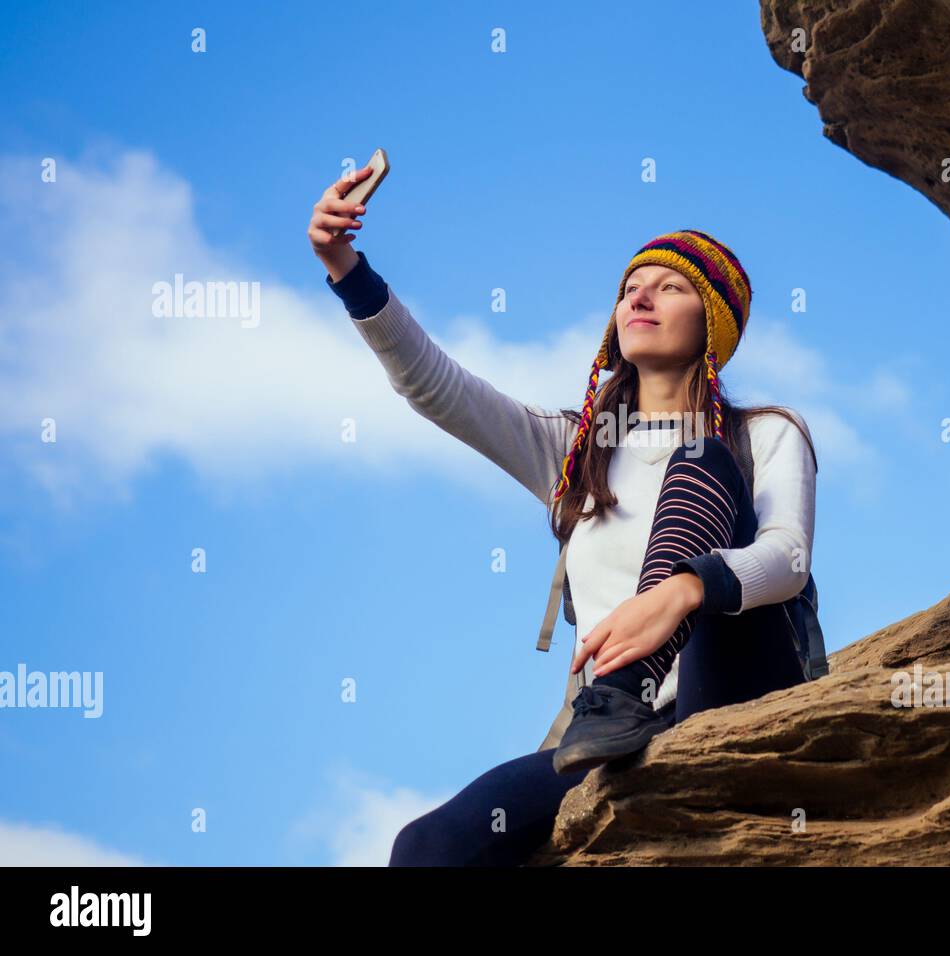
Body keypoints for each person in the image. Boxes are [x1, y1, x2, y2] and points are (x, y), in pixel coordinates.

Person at [307, 169, 819, 865]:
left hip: (736, 687)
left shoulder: (764, 434)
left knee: (700, 456)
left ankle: (629, 686)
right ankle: (617, 702)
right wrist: (345, 267)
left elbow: (789, 559)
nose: (639, 294)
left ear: (712, 323)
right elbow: (436, 386)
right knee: (427, 845)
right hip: (610, 735)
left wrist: (681, 591)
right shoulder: (577, 452)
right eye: (629, 287)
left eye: (669, 286)